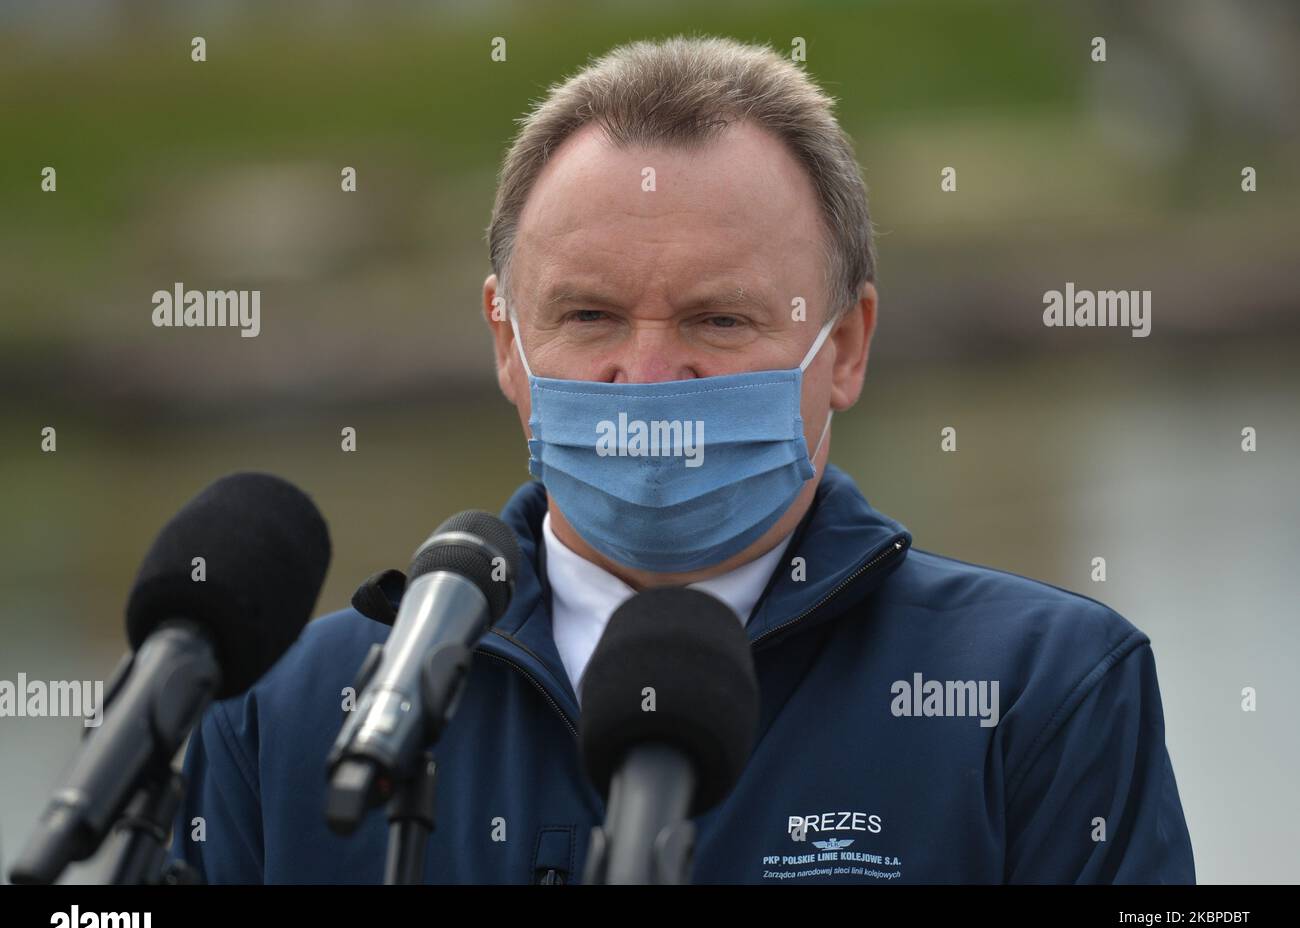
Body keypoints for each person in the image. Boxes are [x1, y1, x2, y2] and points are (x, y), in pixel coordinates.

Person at [172, 35, 1194, 884]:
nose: (651, 379)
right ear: (505, 343)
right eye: (587, 315)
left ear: (843, 346)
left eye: (718, 318)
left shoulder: (1040, 691)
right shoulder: (287, 717)